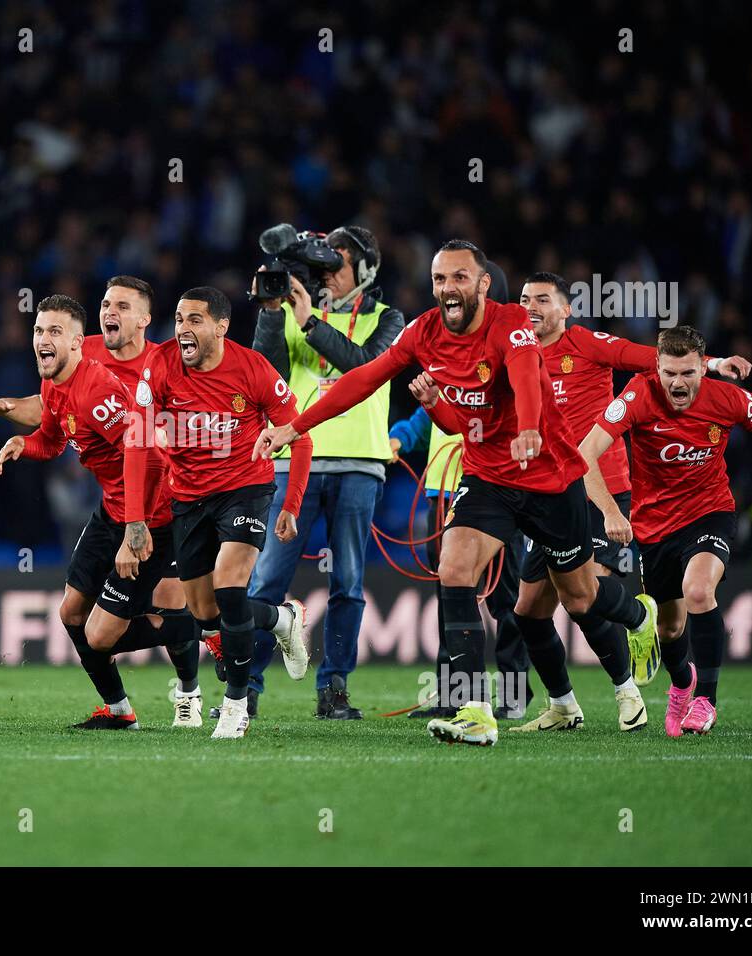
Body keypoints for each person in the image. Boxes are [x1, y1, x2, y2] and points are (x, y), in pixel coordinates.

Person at [254, 240, 659, 747]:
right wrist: (295, 427)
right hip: (488, 478)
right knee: (454, 566)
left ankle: (639, 616)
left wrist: (530, 427)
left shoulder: (510, 322)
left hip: (550, 477)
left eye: (460, 278)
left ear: (483, 284)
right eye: (441, 279)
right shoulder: (421, 332)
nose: (449, 288)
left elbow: (528, 376)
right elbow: (359, 379)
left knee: (581, 597)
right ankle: (475, 708)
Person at [511, 273, 752, 732]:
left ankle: (632, 665)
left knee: (583, 599)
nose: (530, 307)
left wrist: (714, 363)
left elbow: (648, 358)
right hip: (545, 493)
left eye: (542, 299)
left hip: (603, 487)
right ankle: (564, 705)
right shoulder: (516, 351)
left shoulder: (586, 343)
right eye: (524, 299)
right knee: (530, 611)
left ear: (565, 310)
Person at [0, 276, 205, 721]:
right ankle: (119, 709)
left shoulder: (99, 391)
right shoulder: (56, 381)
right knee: (70, 613)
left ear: (76, 342)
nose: (43, 340)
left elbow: (149, 454)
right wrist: (24, 444)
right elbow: (52, 435)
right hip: (112, 508)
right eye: (39, 331)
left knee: (103, 634)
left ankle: (212, 626)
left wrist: (134, 530)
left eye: (54, 332)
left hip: (152, 513)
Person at [580, 325, 752, 736]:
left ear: (703, 370)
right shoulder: (637, 394)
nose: (678, 382)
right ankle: (683, 684)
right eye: (670, 373)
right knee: (670, 629)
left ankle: (705, 700)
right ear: (658, 367)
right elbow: (586, 453)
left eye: (688, 373)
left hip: (710, 513)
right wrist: (609, 514)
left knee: (700, 590)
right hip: (653, 528)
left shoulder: (727, 398)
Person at [122, 286, 313, 739]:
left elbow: (299, 435)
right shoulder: (159, 365)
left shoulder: (254, 370)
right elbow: (138, 439)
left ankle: (236, 705)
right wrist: (135, 518)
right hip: (187, 498)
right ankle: (280, 618)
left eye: (194, 320)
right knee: (206, 613)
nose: (182, 329)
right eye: (179, 318)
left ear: (221, 327)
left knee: (229, 589)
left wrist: (291, 503)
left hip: (245, 489)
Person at [248, 226, 404, 719]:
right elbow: (264, 371)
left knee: (349, 583)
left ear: (367, 269)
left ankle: (333, 689)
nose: (327, 274)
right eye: (322, 265)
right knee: (267, 578)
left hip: (359, 462)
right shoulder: (295, 310)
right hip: (293, 462)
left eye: (339, 263)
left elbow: (363, 369)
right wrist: (273, 313)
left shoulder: (388, 317)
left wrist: (310, 320)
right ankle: (243, 691)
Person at [389, 406, 531, 720]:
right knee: (449, 599)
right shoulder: (442, 377)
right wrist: (398, 439)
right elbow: (422, 422)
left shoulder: (495, 376)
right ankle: (453, 695)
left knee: (505, 599)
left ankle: (514, 694)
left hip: (496, 498)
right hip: (442, 497)